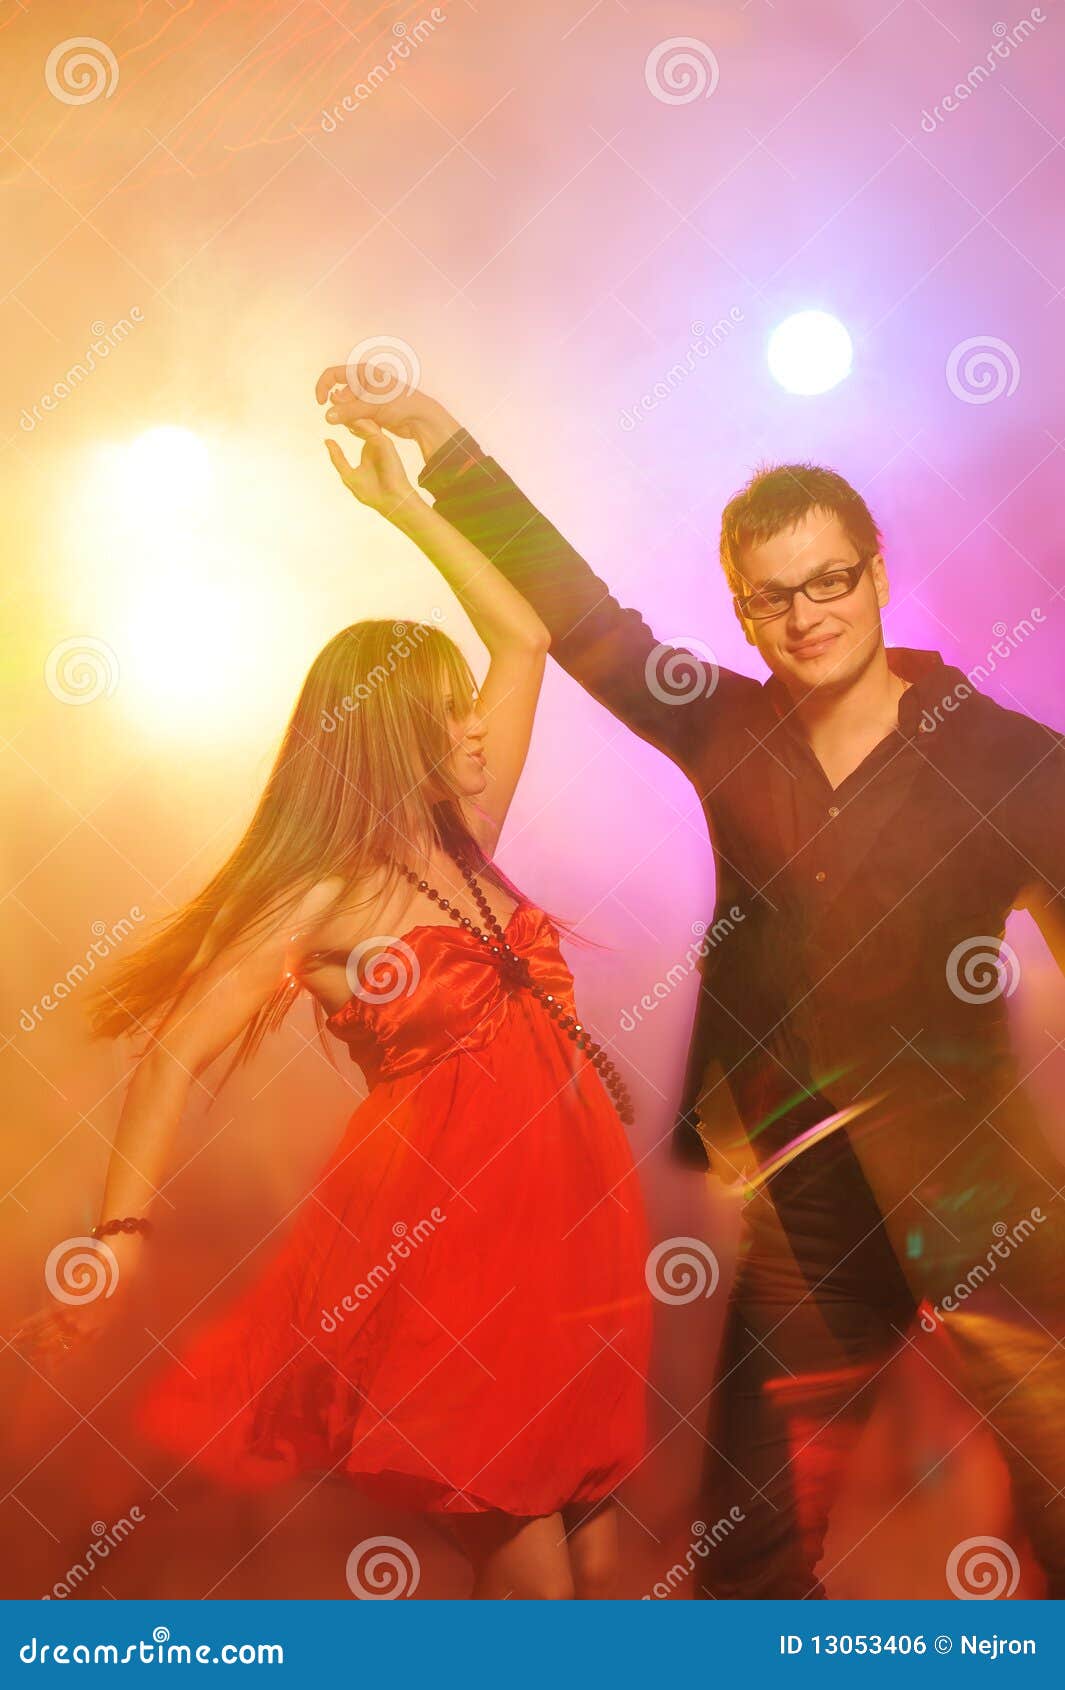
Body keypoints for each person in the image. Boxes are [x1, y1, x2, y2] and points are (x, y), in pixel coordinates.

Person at [316, 363, 1065, 1599]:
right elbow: (583, 620)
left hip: (988, 1189)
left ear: (878, 575)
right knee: (749, 1552)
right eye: (773, 597)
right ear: (744, 613)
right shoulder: (729, 729)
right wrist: (445, 444)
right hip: (805, 1200)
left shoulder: (1013, 761)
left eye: (830, 580)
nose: (807, 615)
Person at [11, 415, 652, 1602]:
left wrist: (404, 507)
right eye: (450, 709)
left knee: (601, 1567)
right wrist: (119, 1238)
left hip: (571, 1240)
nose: (477, 723)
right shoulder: (320, 897)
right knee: (537, 1585)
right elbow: (173, 1053)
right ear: (396, 734)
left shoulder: (470, 840)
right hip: (448, 1254)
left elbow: (523, 635)